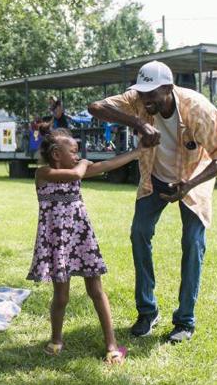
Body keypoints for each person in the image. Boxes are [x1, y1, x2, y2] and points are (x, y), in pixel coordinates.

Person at [88, 60, 217, 344]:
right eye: (142, 93)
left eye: (151, 93)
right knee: (139, 234)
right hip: (155, 177)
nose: (145, 99)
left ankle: (185, 320)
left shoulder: (198, 109)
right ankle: (147, 311)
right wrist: (138, 122)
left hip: (193, 177)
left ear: (168, 88)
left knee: (193, 242)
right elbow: (95, 107)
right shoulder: (138, 99)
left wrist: (189, 185)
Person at [28, 123, 141, 363]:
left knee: (96, 291)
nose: (78, 156)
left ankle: (111, 343)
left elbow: (107, 165)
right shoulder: (43, 173)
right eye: (73, 151)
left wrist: (137, 153)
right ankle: (56, 340)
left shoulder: (74, 169)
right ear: (56, 154)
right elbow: (77, 173)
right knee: (61, 296)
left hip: (81, 239)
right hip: (58, 243)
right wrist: (84, 164)